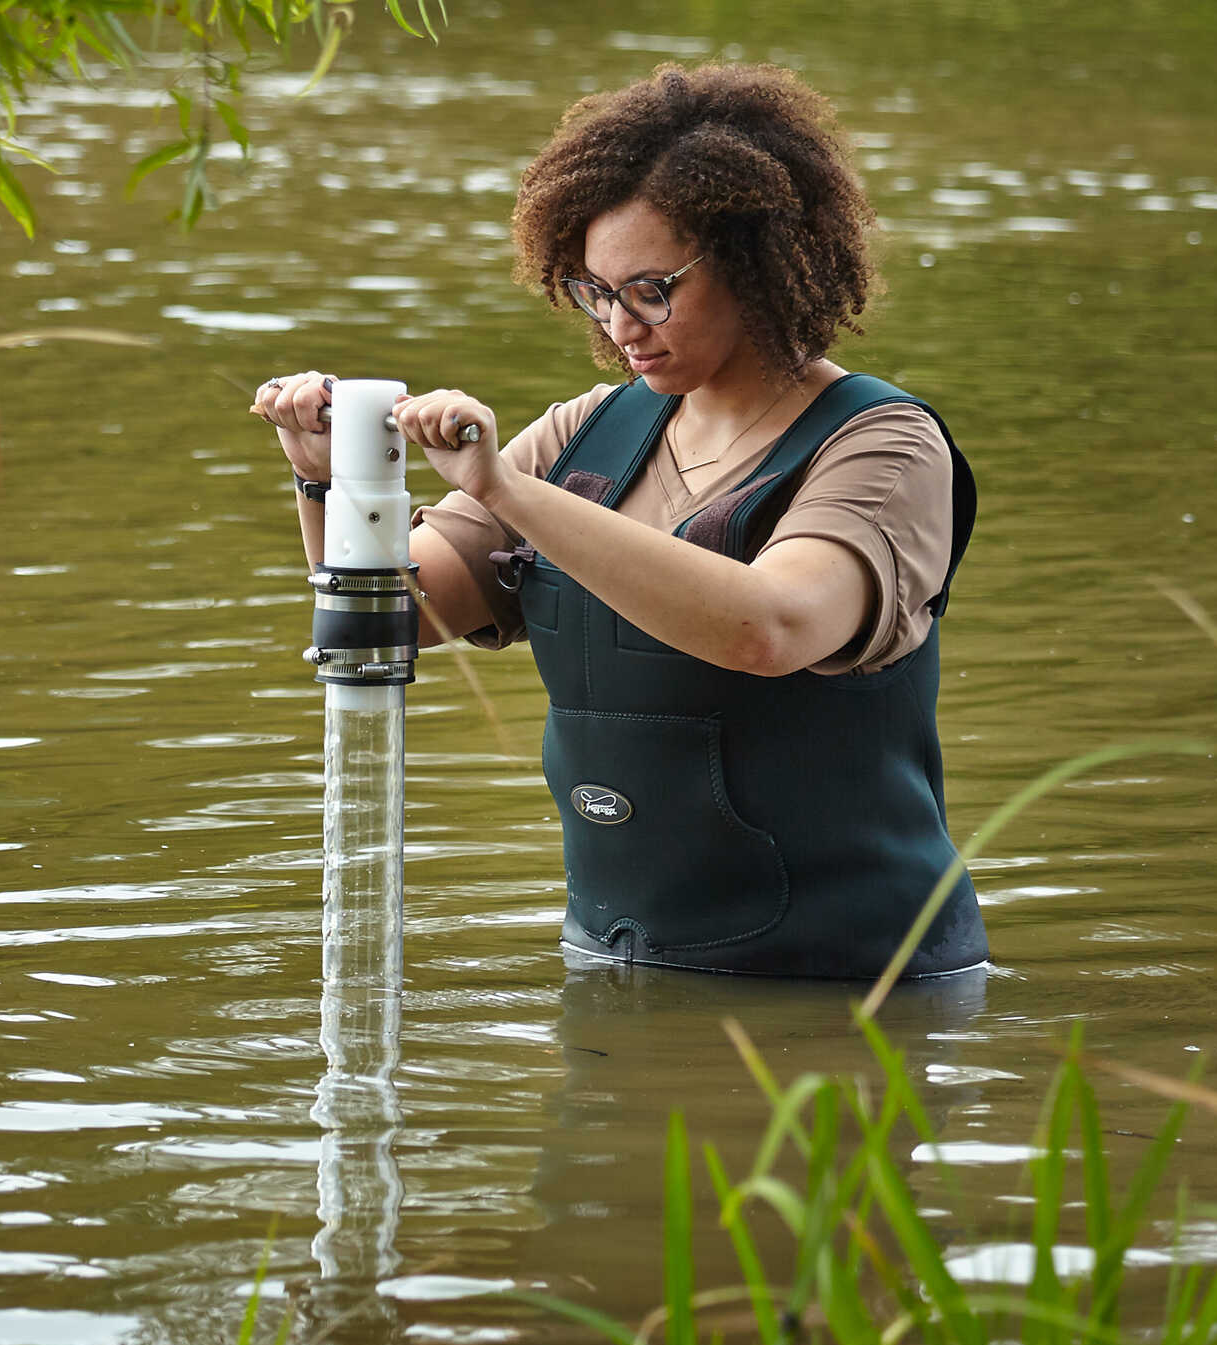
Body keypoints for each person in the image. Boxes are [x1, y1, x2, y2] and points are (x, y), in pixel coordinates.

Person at [253, 62, 987, 981]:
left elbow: (773, 625)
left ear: (759, 260)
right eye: (595, 291)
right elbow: (395, 615)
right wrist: (328, 483)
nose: (621, 325)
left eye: (652, 288)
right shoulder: (581, 435)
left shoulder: (883, 446)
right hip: (617, 969)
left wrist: (509, 493)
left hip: (849, 984)